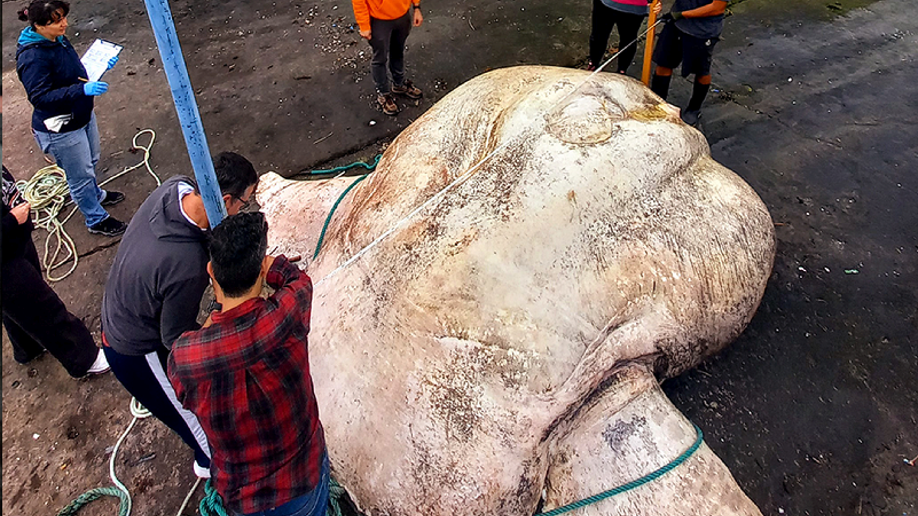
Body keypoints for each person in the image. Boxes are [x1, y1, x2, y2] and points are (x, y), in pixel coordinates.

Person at [100, 152, 259, 478]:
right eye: (245, 203)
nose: (246, 209)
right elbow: (176, 339)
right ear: (225, 200)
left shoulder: (176, 188)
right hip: (134, 348)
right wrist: (220, 315)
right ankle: (213, 469)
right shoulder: (187, 265)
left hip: (122, 306)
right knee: (195, 420)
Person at [168, 212, 329, 516]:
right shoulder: (286, 314)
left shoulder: (185, 357)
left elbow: (184, 393)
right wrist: (270, 266)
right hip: (303, 480)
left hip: (242, 498)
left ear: (210, 271)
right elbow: (298, 280)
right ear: (260, 272)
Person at [15, 0, 127, 237]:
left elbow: (70, 71)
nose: (64, 24)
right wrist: (81, 91)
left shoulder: (57, 39)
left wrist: (96, 67)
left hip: (81, 114)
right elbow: (40, 97)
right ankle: (95, 218)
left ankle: (95, 196)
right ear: (39, 25)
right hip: (60, 127)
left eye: (64, 17)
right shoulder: (32, 58)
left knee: (92, 160)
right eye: (56, 21)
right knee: (80, 175)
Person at [2, 165, 110, 378]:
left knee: (17, 306)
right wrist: (12, 220)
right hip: (5, 260)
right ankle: (84, 359)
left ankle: (28, 347)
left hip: (15, 240)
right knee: (40, 306)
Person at [649, 0, 727, 126]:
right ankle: (658, 102)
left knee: (701, 70)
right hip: (676, 23)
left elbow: (716, 8)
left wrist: (681, 14)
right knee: (663, 62)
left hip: (701, 31)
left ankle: (694, 109)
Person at [352, 0, 424, 116]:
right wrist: (364, 25)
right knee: (380, 58)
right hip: (379, 21)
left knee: (397, 51)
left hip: (402, 17)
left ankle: (399, 84)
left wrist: (417, 7)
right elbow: (359, 2)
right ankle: (383, 93)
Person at [587, 0, 662, 74]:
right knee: (598, 36)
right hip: (606, 3)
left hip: (634, 6)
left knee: (628, 40)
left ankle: (621, 70)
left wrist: (656, 2)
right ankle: (594, 63)